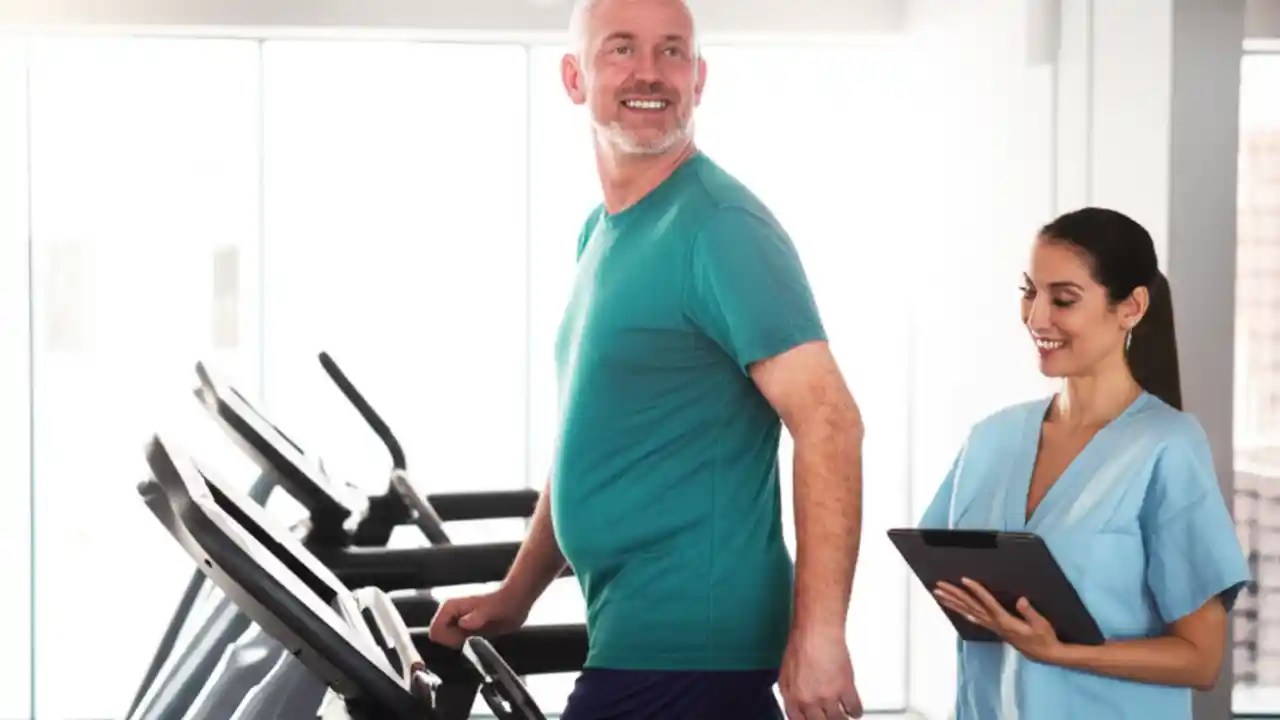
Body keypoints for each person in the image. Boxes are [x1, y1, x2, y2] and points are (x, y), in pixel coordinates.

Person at [428, 0, 866, 718]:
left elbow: (830, 422)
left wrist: (819, 637)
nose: (649, 72)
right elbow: (590, 444)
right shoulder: (601, 234)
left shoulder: (722, 228)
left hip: (690, 640)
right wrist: (518, 594)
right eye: (620, 50)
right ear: (575, 77)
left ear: (699, 77)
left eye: (671, 52)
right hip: (636, 634)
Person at [918, 207, 1251, 719]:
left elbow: (1200, 659)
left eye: (1063, 299)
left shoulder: (1167, 446)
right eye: (1029, 291)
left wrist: (1059, 652)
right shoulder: (991, 439)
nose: (1036, 317)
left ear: (1132, 307)